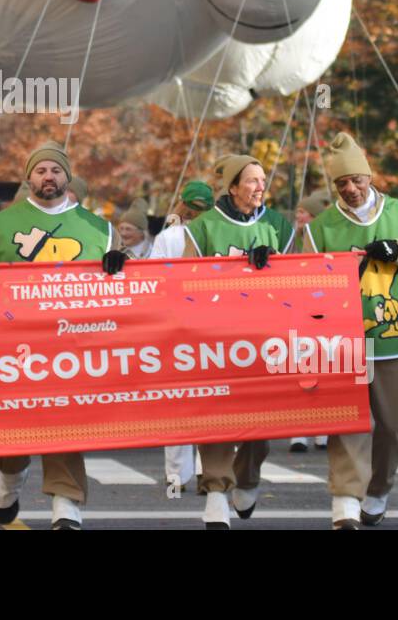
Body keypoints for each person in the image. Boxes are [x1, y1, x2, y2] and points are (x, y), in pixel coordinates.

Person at [0, 142, 126, 530]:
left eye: (55, 170)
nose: (48, 177)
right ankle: (11, 477)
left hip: (74, 345)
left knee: (67, 425)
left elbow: (130, 286)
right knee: (14, 431)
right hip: (13, 347)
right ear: (29, 178)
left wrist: (123, 264)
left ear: (67, 177)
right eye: (40, 171)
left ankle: (67, 504)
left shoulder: (99, 229)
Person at [302, 132, 398, 529]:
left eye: (356, 180)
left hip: (395, 341)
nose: (350, 189)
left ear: (370, 176)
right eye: (342, 183)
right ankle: (345, 502)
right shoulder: (319, 229)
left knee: (393, 423)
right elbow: (304, 288)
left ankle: (379, 487)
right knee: (348, 420)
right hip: (343, 342)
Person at [165, 154, 293, 528]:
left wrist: (275, 262)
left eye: (263, 179)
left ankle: (248, 477)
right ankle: (217, 494)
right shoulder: (203, 227)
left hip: (266, 338)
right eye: (252, 180)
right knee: (217, 419)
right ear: (233, 187)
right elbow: (186, 283)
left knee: (261, 426)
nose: (260, 187)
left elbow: (302, 278)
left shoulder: (279, 226)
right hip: (217, 337)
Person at [155, 179, 213, 487]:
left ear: (182, 203)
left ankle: (177, 474)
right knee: (212, 399)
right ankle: (209, 468)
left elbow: (154, 277)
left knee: (176, 400)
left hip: (175, 324)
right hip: (211, 323)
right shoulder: (215, 232)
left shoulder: (169, 236)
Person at [290, 189, 333, 452]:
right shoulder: (291, 240)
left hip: (325, 312)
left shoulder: (325, 238)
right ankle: (299, 431)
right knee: (300, 372)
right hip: (296, 311)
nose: (299, 217)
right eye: (298, 213)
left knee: (326, 372)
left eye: (303, 212)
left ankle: (323, 428)